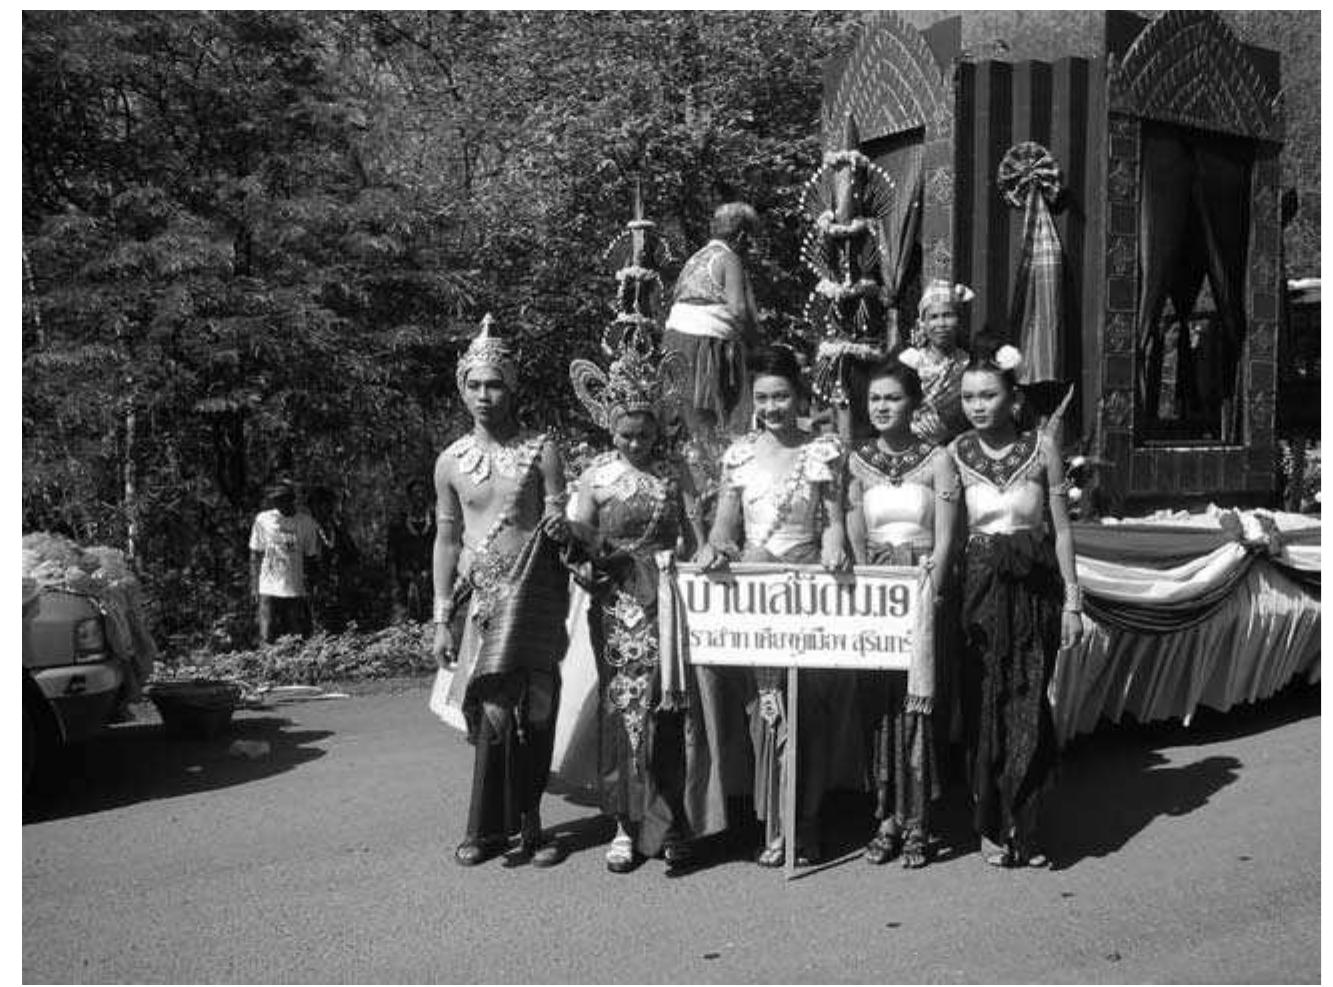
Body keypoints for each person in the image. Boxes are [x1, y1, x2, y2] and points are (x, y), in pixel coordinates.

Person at [696, 346, 862, 867]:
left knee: (807, 708)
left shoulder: (822, 451)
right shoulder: (738, 455)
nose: (772, 407)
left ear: (800, 395)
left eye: (782, 396)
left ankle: (805, 822)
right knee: (764, 708)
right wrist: (714, 549)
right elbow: (725, 527)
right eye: (763, 397)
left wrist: (835, 546)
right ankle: (772, 823)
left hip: (808, 590)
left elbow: (833, 521)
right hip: (755, 592)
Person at [565, 343, 727, 874]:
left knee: (667, 705)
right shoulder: (595, 476)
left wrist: (707, 554)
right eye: (625, 434)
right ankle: (623, 824)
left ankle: (670, 821)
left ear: (658, 428)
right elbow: (578, 541)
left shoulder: (676, 472)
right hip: (614, 602)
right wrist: (584, 570)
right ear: (610, 429)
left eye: (644, 433)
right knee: (622, 708)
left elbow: (697, 539)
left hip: (667, 599)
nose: (635, 443)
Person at [432, 314, 570, 868]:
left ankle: (532, 821)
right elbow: (446, 540)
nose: (484, 395)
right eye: (475, 385)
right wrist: (441, 617)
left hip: (535, 598)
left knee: (537, 711)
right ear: (461, 388)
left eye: (495, 384)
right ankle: (486, 829)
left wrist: (564, 527)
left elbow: (561, 521)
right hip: (483, 604)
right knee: (492, 711)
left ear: (512, 387)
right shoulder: (450, 461)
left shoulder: (543, 450)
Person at [949, 342, 1084, 868]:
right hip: (979, 588)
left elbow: (1062, 531)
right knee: (984, 700)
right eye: (968, 397)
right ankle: (990, 823)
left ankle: (1026, 824)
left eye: (988, 395)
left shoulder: (1042, 448)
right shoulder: (956, 453)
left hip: (1034, 588)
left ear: (1013, 398)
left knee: (1028, 698)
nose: (977, 406)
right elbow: (949, 534)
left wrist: (1072, 602)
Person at [845, 361, 958, 868]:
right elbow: (854, 530)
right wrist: (864, 586)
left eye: (892, 397)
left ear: (913, 403)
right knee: (879, 706)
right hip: (877, 592)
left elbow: (948, 535)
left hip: (922, 587)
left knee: (918, 702)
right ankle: (885, 817)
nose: (883, 407)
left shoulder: (938, 460)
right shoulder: (857, 461)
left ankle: (918, 821)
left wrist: (935, 588)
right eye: (875, 399)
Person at [663, 202, 763, 439]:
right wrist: (757, 347)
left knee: (681, 412)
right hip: (708, 348)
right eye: (750, 239)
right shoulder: (729, 258)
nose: (751, 246)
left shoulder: (694, 258)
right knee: (714, 419)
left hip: (673, 343)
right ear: (741, 236)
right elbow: (739, 310)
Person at [898, 280, 976, 445]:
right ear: (923, 324)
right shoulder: (910, 361)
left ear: (959, 320)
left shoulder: (968, 363)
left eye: (948, 315)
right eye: (933, 317)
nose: (941, 324)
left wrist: (946, 433)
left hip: (954, 442)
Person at [249, 481, 320, 644]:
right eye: (275, 500)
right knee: (267, 635)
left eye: (283, 499)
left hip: (295, 588)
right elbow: (255, 554)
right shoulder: (263, 520)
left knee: (296, 636)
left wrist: (312, 586)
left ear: (291, 499)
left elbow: (311, 558)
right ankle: (266, 660)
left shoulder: (306, 523)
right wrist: (254, 586)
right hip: (268, 587)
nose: (279, 503)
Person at [306, 485, 361, 632]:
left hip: (341, 591)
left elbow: (354, 556)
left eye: (326, 504)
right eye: (319, 504)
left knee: (343, 630)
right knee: (322, 631)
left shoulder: (338, 530)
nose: (323, 509)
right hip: (318, 593)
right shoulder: (307, 532)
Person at [387, 478, 436, 623]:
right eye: (415, 493)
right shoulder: (398, 524)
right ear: (409, 497)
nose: (419, 496)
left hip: (432, 580)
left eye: (422, 492)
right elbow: (392, 555)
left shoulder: (436, 522)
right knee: (404, 621)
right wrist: (398, 579)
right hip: (405, 582)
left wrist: (430, 572)